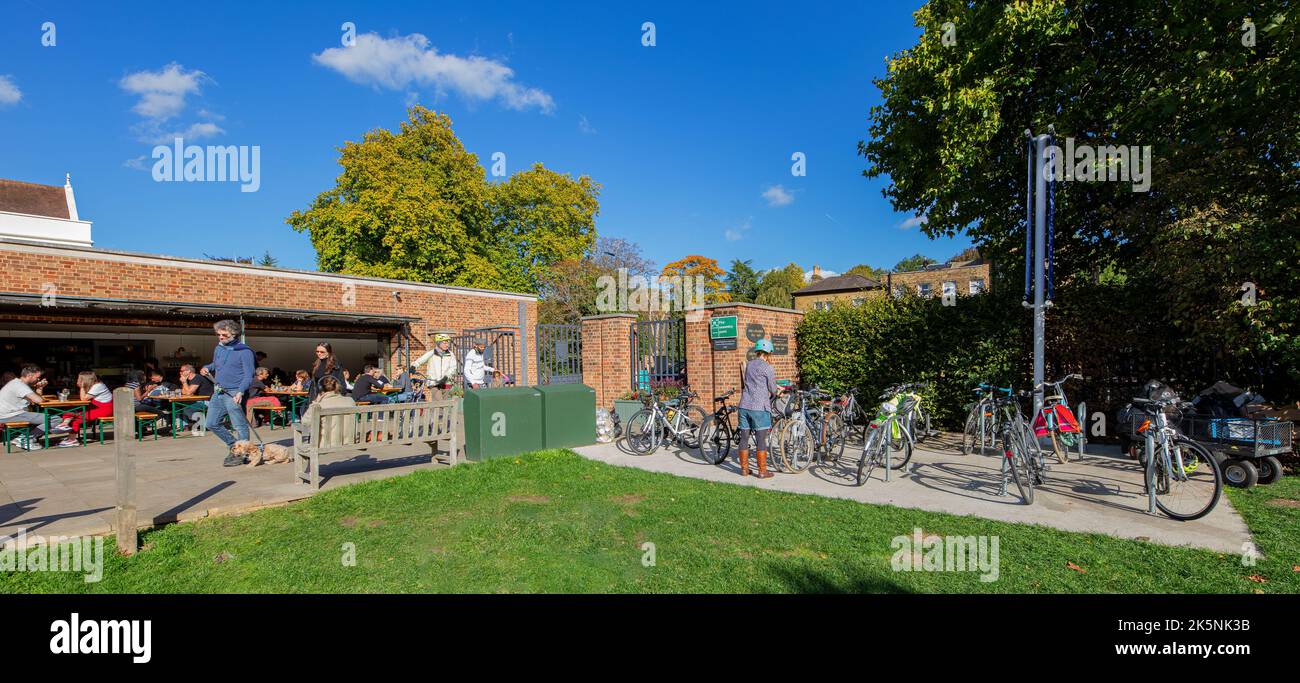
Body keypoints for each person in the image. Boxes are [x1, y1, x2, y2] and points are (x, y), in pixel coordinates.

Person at [200, 319, 256, 467]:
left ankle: (244, 454)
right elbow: (216, 365)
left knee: (239, 425)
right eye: (218, 334)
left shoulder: (245, 352)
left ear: (234, 334)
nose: (220, 337)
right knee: (211, 423)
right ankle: (234, 446)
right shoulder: (219, 348)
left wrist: (240, 392)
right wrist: (207, 367)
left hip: (234, 392)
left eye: (224, 334)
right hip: (218, 391)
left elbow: (248, 375)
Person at [0, 365, 72, 449]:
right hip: (11, 415)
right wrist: (40, 394)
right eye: (37, 377)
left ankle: (24, 438)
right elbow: (38, 400)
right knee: (55, 419)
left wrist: (40, 388)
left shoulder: (17, 383)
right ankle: (25, 439)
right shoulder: (19, 385)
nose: (38, 379)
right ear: (29, 375)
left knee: (45, 417)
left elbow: (33, 399)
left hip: (8, 414)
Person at [737, 338, 779, 479]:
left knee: (744, 437)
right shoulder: (768, 367)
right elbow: (773, 389)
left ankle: (744, 469)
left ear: (757, 352)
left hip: (744, 405)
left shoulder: (749, 364)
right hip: (759, 407)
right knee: (761, 439)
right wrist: (778, 390)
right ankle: (762, 471)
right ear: (768, 353)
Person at [61, 371, 113, 447]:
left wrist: (82, 387)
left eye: (79, 379)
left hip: (105, 409)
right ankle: (64, 425)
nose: (77, 380)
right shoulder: (94, 385)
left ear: (84, 380)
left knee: (76, 419)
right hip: (97, 408)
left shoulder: (98, 386)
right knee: (70, 412)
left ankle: (72, 440)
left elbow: (83, 399)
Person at [313, 375, 356, 447]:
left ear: (320, 390)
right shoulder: (350, 401)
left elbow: (305, 422)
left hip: (326, 444)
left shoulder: (318, 405)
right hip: (348, 441)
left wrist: (316, 401)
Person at [414, 333, 457, 400]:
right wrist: (414, 366)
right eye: (445, 343)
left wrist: (446, 377)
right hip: (434, 382)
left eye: (448, 343)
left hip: (446, 382)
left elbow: (453, 368)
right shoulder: (431, 353)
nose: (447, 345)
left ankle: (434, 410)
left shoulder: (451, 355)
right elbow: (420, 360)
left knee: (446, 405)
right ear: (438, 343)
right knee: (439, 402)